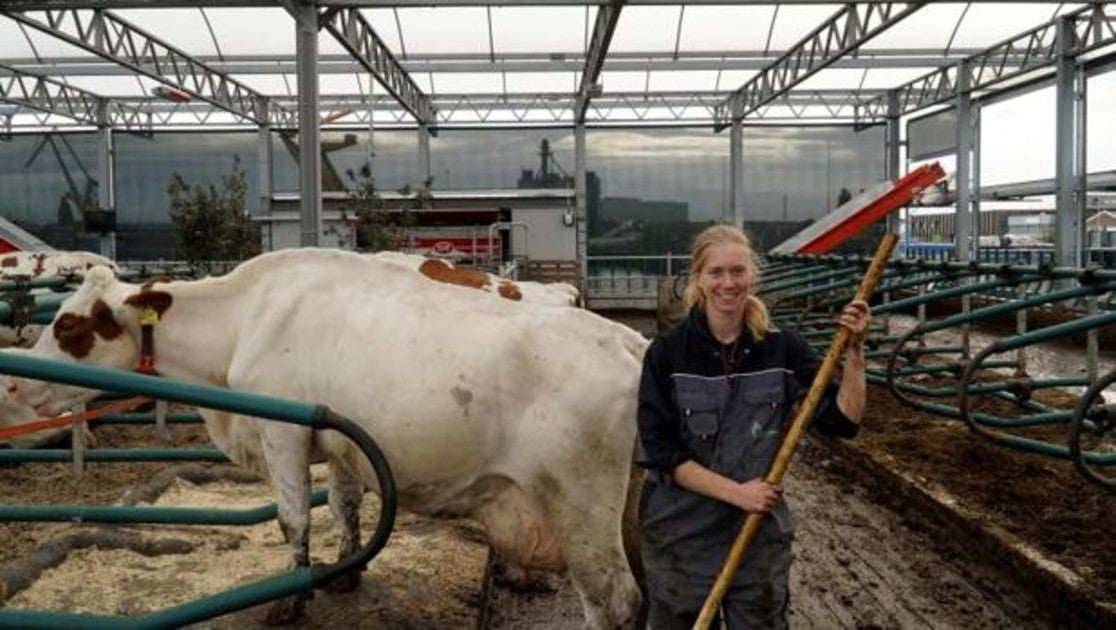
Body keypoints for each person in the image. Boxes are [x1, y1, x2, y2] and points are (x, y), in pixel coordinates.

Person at [636, 223, 870, 629]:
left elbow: (843, 421)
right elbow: (660, 452)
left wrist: (854, 352)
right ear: (699, 279)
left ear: (752, 276)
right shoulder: (667, 354)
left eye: (738, 271)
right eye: (717, 273)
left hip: (756, 538)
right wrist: (736, 493)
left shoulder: (782, 348)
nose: (729, 283)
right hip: (680, 539)